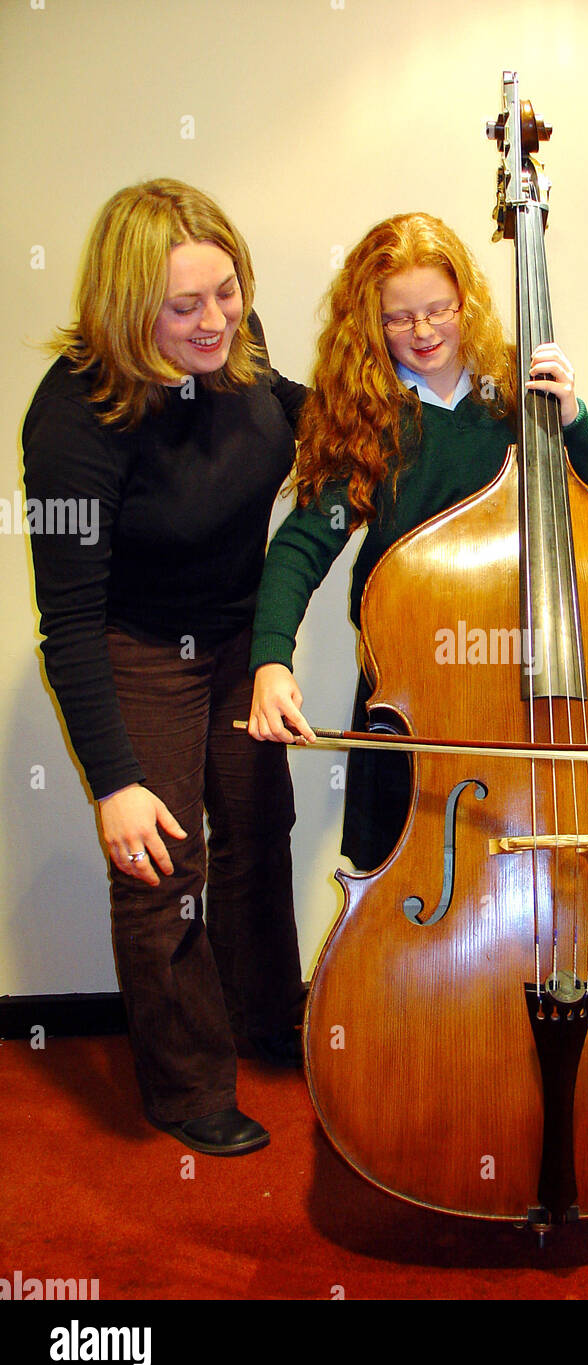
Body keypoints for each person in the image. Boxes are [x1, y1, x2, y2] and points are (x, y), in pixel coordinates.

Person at [23, 179, 307, 1156]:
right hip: (135, 640)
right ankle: (185, 1084)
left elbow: (283, 411)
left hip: (238, 632)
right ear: (126, 307)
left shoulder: (237, 337)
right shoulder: (70, 421)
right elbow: (65, 623)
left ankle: (267, 1023)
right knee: (163, 860)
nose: (215, 320)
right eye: (183, 307)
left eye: (225, 292)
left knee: (261, 825)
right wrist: (113, 783)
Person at [247, 211, 588, 870]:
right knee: (412, 869)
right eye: (399, 318)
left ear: (466, 301)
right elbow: (301, 545)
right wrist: (271, 660)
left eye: (438, 310)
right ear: (370, 321)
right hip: (410, 684)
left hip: (518, 672)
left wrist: (572, 417)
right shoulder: (367, 417)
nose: (422, 331)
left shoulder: (514, 390)